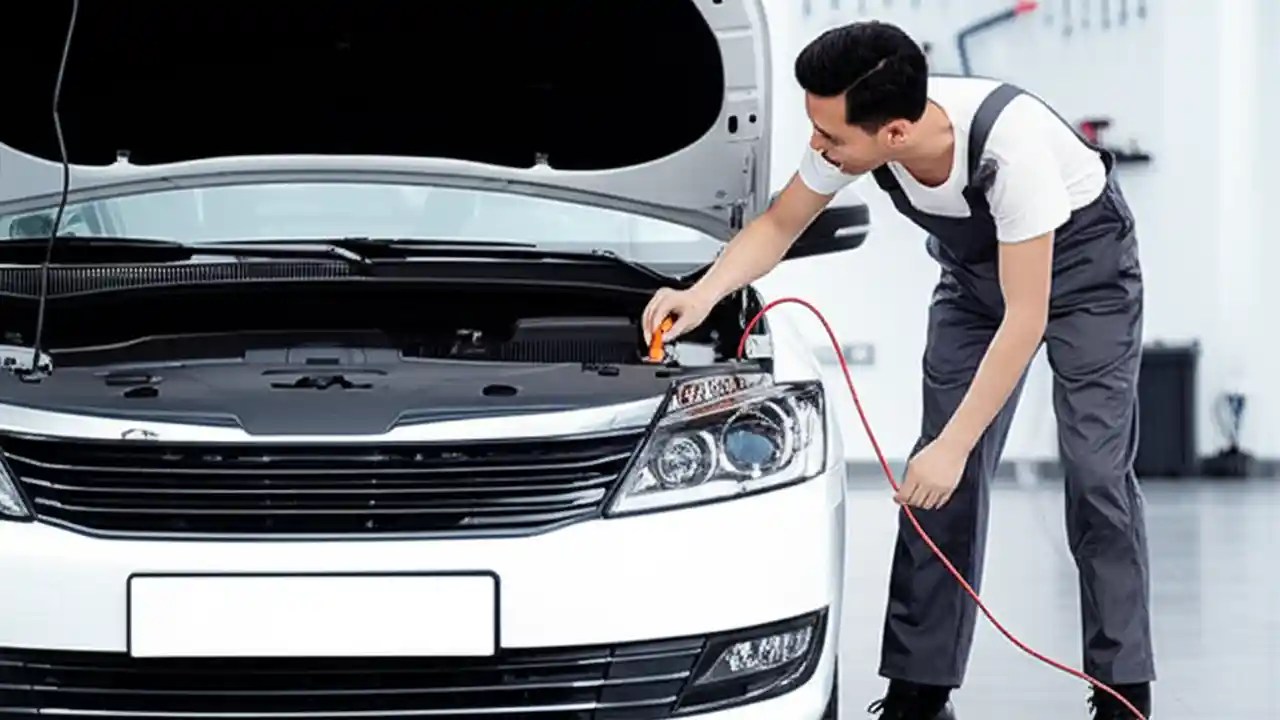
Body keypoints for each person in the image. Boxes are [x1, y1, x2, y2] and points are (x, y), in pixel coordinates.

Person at [640, 19, 1154, 720]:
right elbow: (778, 226)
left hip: (1084, 278)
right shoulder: (856, 123)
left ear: (895, 136)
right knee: (934, 480)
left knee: (1095, 473)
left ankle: (1124, 689)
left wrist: (955, 444)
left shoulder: (1013, 149)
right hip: (975, 287)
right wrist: (701, 292)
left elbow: (1026, 317)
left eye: (831, 139)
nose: (817, 149)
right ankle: (919, 689)